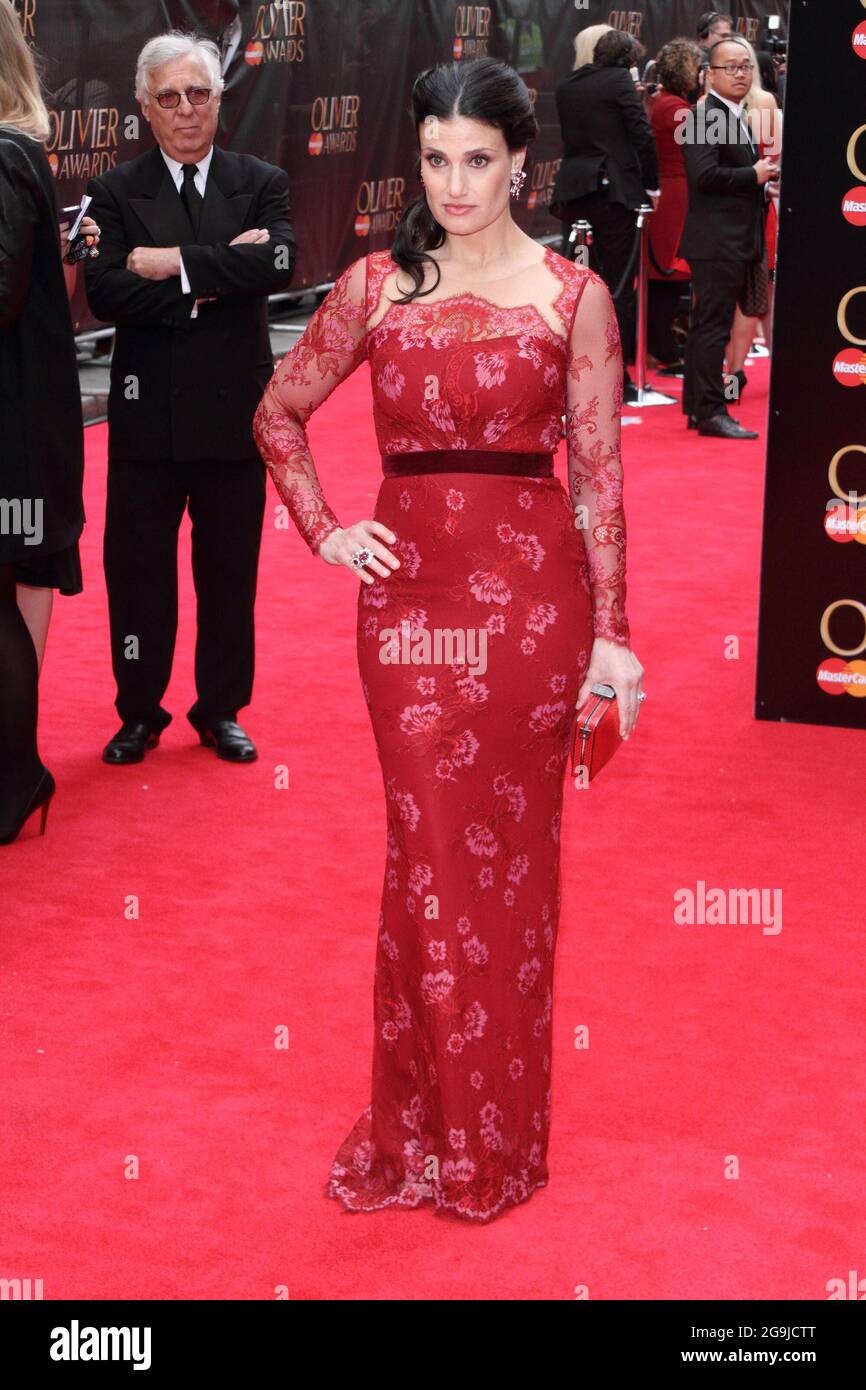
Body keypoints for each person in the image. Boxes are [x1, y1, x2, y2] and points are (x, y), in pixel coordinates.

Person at [254, 58, 645, 1222]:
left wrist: (611, 639)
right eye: (435, 158)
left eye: (477, 158)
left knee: (513, 869)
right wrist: (326, 531)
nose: (455, 181)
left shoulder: (573, 295)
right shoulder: (376, 286)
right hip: (411, 611)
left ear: (521, 160)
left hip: (533, 609)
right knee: (425, 854)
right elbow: (276, 411)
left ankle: (489, 1139)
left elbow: (598, 481)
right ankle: (417, 1130)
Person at [84, 30, 295, 765]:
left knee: (229, 574)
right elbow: (106, 291)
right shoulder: (114, 190)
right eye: (169, 97)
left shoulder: (260, 179)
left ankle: (221, 708)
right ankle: (139, 710)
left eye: (199, 94)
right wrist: (215, 278)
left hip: (235, 416)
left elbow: (276, 262)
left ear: (220, 99)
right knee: (138, 575)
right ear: (144, 107)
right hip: (146, 420)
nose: (185, 110)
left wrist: (172, 266)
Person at [0, 0, 99, 844]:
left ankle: (17, 774)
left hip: (15, 432)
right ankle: (16, 769)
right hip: (22, 420)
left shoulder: (2, 156)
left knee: (19, 581)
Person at [551, 29, 660, 398]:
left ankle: (573, 377)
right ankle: (621, 381)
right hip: (614, 193)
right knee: (618, 288)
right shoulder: (618, 81)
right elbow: (641, 134)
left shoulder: (567, 86)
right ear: (629, 61)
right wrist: (652, 185)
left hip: (574, 190)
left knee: (577, 288)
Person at [678, 37, 778, 439]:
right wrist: (752, 176)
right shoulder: (706, 116)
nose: (741, 73)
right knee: (712, 327)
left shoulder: (734, 113)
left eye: (746, 66)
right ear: (710, 74)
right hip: (718, 241)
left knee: (708, 325)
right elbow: (703, 177)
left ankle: (698, 407)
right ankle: (711, 412)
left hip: (732, 237)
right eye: (731, 67)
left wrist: (759, 186)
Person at [723, 38, 782, 398]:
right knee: (761, 299)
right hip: (759, 212)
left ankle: (732, 374)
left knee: (730, 301)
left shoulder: (706, 107)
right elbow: (773, 168)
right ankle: (741, 373)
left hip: (728, 214)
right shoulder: (766, 105)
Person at [646, 38, 703, 367]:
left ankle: (660, 344)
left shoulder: (667, 103)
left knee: (667, 277)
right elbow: (708, 142)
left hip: (675, 193)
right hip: (675, 197)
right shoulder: (675, 108)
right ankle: (660, 348)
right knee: (668, 275)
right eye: (698, 67)